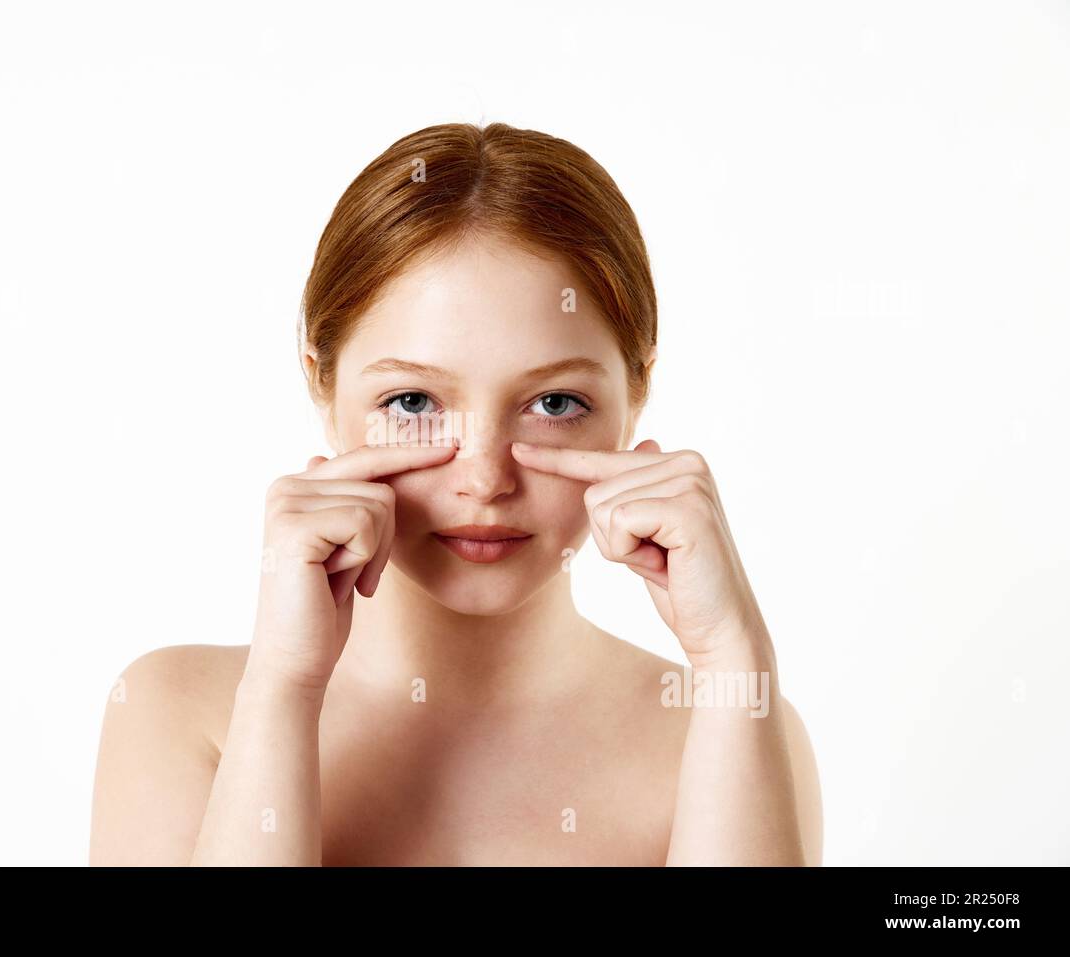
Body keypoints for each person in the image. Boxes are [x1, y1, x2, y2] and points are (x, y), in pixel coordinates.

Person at [89, 122, 822, 866]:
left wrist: (733, 656)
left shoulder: (733, 724)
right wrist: (281, 691)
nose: (484, 478)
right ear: (322, 382)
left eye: (556, 402)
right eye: (412, 403)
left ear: (637, 389)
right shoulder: (179, 713)